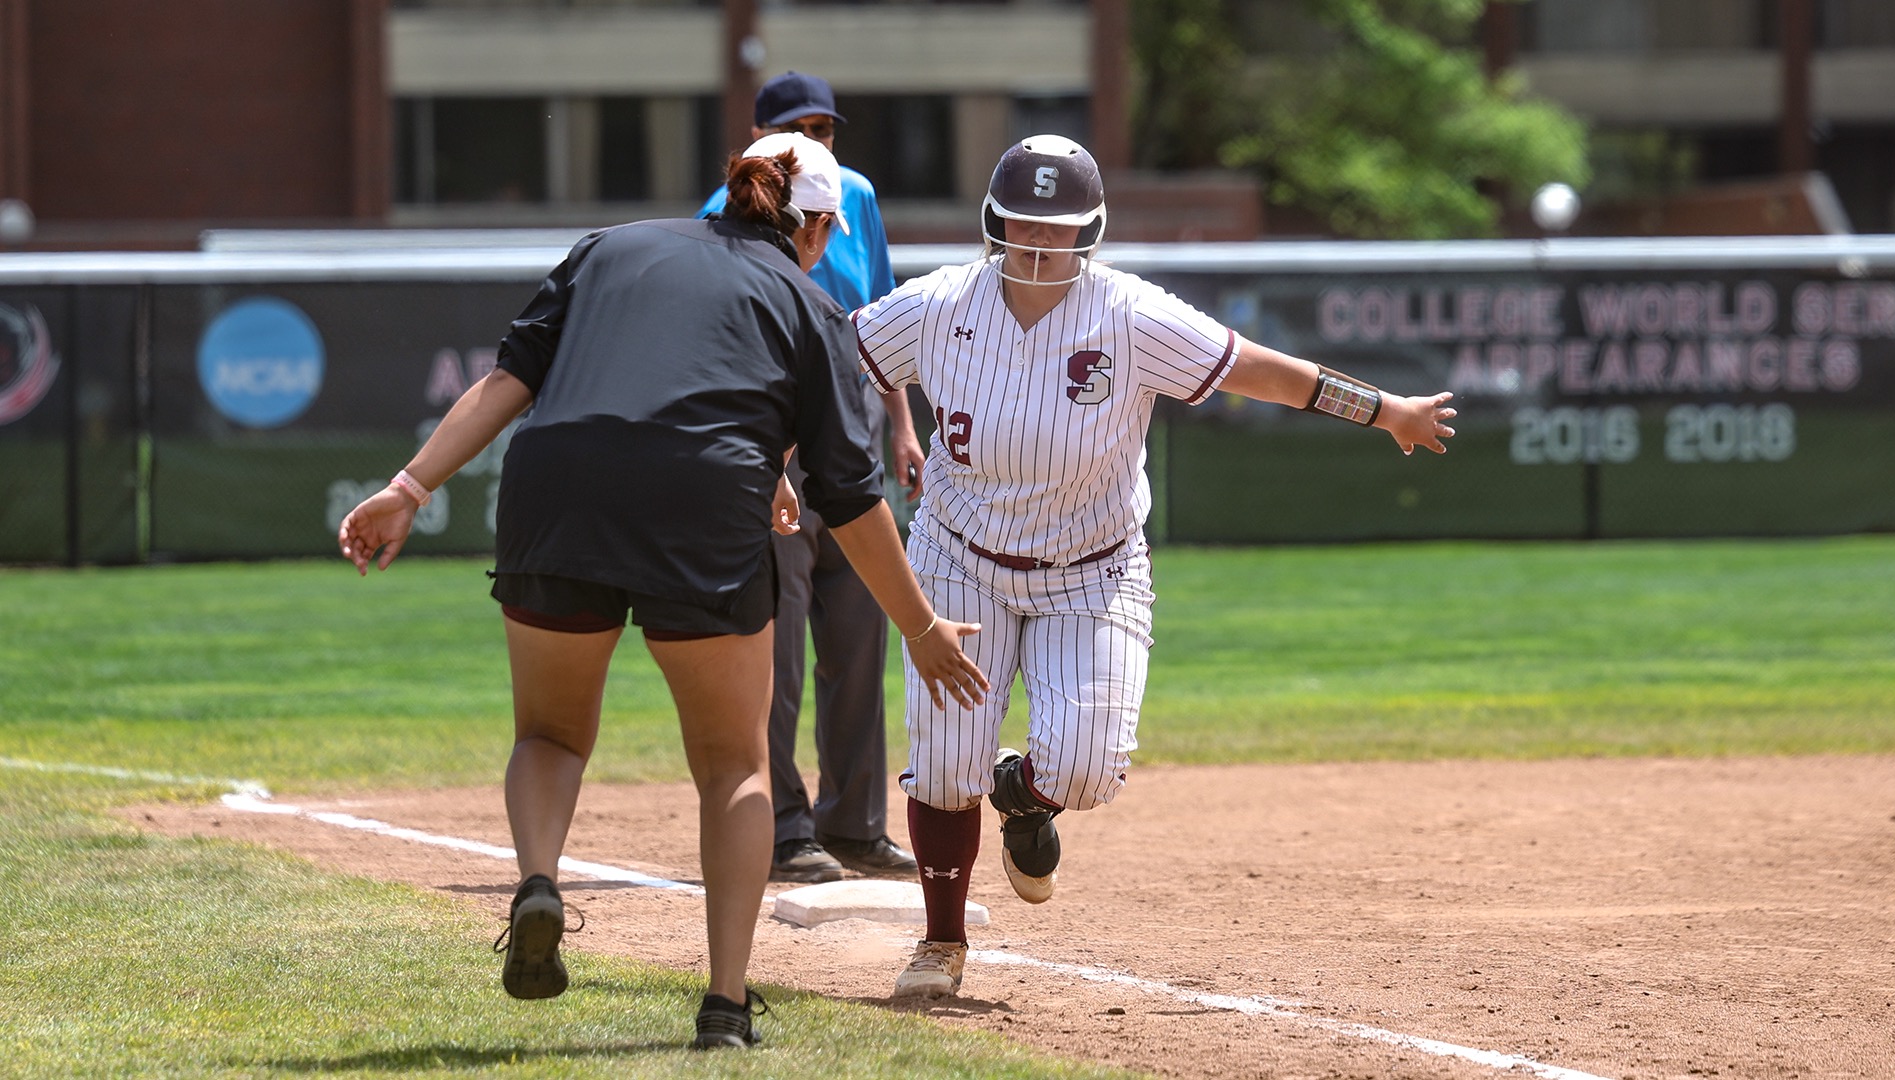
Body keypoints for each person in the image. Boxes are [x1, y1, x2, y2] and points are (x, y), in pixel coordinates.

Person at [335, 133, 987, 1047]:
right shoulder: (810, 303)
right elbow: (851, 493)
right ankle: (723, 1006)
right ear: (821, 231)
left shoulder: (610, 247)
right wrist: (918, 628)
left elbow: (511, 380)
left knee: (549, 734)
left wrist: (409, 489)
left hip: (556, 492)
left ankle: (538, 884)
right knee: (734, 765)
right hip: (703, 507)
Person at [851, 135, 1458, 1000]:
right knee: (945, 769)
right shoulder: (940, 305)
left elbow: (1260, 371)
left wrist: (1385, 409)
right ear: (994, 222)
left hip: (1092, 571)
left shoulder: (1131, 315)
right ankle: (941, 945)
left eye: (1057, 229)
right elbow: (834, 363)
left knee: (1089, 771)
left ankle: (1022, 795)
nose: (1037, 243)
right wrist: (778, 449)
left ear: (1089, 232)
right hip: (959, 561)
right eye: (1023, 224)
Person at [697, 70, 924, 883]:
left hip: (853, 411)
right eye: (797, 126)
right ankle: (787, 825)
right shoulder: (723, 212)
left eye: (826, 126)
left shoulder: (853, 196)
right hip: (772, 426)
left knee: (861, 628)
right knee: (780, 641)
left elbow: (885, 315)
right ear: (758, 136)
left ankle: (856, 821)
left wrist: (902, 426)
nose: (816, 140)